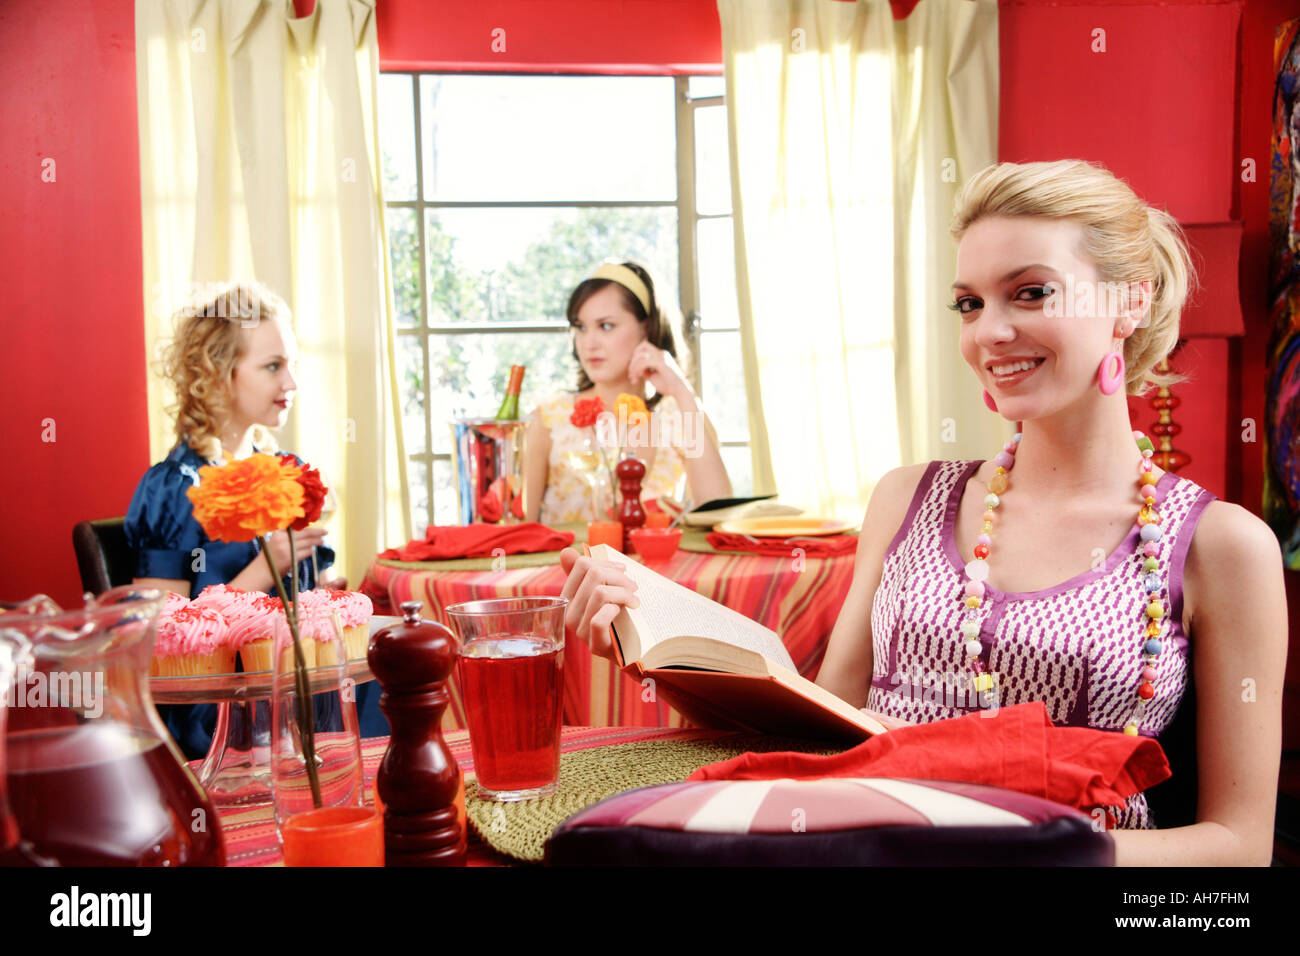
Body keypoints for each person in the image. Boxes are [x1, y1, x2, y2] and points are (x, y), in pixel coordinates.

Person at [557, 161, 1287, 865]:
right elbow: (827, 734)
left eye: (1029, 293)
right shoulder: (906, 498)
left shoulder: (1219, 547)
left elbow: (1239, 844)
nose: (988, 333)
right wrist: (661, 645)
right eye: (970, 303)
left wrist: (981, 855)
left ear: (1130, 300)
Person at [125, 282, 383, 756]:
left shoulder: (288, 470)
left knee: (392, 660)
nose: (292, 384)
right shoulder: (172, 488)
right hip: (221, 714)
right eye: (273, 367)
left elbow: (309, 594)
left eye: (292, 366)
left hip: (296, 681)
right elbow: (162, 641)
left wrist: (322, 591)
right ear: (219, 374)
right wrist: (266, 570)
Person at [524, 261, 732, 523]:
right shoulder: (549, 417)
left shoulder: (677, 414)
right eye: (581, 327)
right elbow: (521, 533)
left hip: (651, 565)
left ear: (647, 327)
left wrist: (681, 391)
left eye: (606, 326)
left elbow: (718, 513)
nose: (589, 343)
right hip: (570, 564)